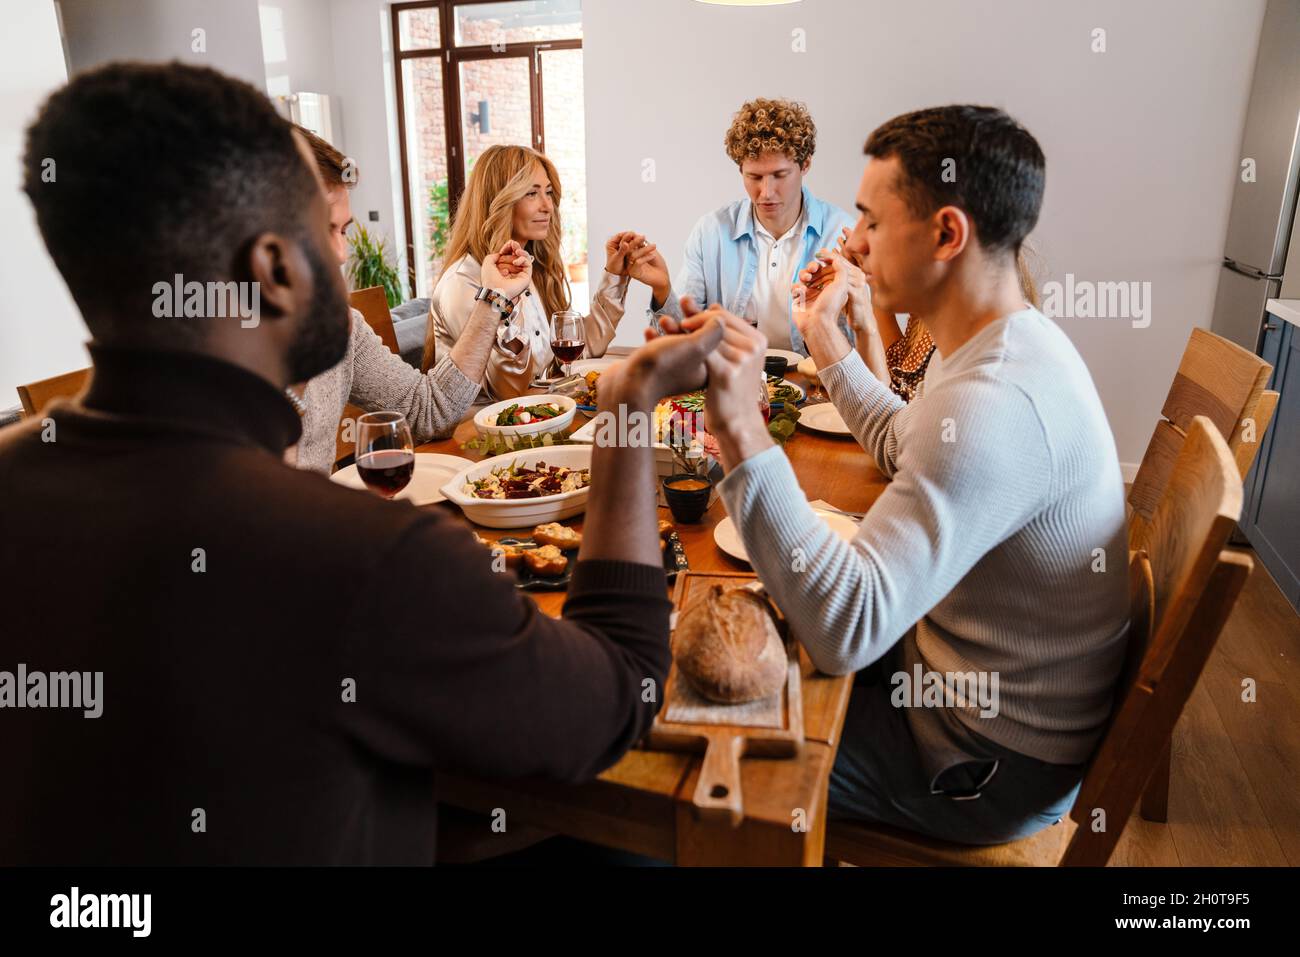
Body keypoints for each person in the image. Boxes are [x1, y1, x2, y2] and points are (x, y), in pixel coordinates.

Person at [1, 60, 724, 865]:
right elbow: (616, 700)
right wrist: (626, 408)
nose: (348, 260)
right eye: (335, 235)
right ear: (275, 269)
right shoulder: (369, 556)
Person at [666, 105, 1130, 845]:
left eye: (870, 222)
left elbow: (845, 627)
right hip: (954, 690)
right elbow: (902, 441)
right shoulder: (1004, 343)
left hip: (976, 762)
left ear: (947, 233)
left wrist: (739, 425)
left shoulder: (995, 404)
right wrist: (825, 340)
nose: (851, 240)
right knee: (730, 662)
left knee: (688, 753)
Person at [287, 128, 493, 474]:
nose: (341, 254)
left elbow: (427, 410)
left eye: (343, 231)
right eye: (321, 229)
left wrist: (493, 301)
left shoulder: (341, 328)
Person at [424, 144, 665, 401]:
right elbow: (507, 392)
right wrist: (504, 301)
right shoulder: (462, 283)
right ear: (499, 200)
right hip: (480, 430)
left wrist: (615, 276)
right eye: (531, 193)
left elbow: (571, 358)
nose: (548, 205)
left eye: (549, 193)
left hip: (540, 414)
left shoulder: (531, 269)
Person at [647, 97, 856, 354]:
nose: (766, 192)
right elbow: (679, 341)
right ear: (740, 171)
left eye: (780, 175)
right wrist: (662, 290)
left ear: (805, 165)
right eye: (754, 177)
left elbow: (858, 343)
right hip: (733, 379)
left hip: (817, 384)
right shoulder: (711, 231)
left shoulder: (841, 232)